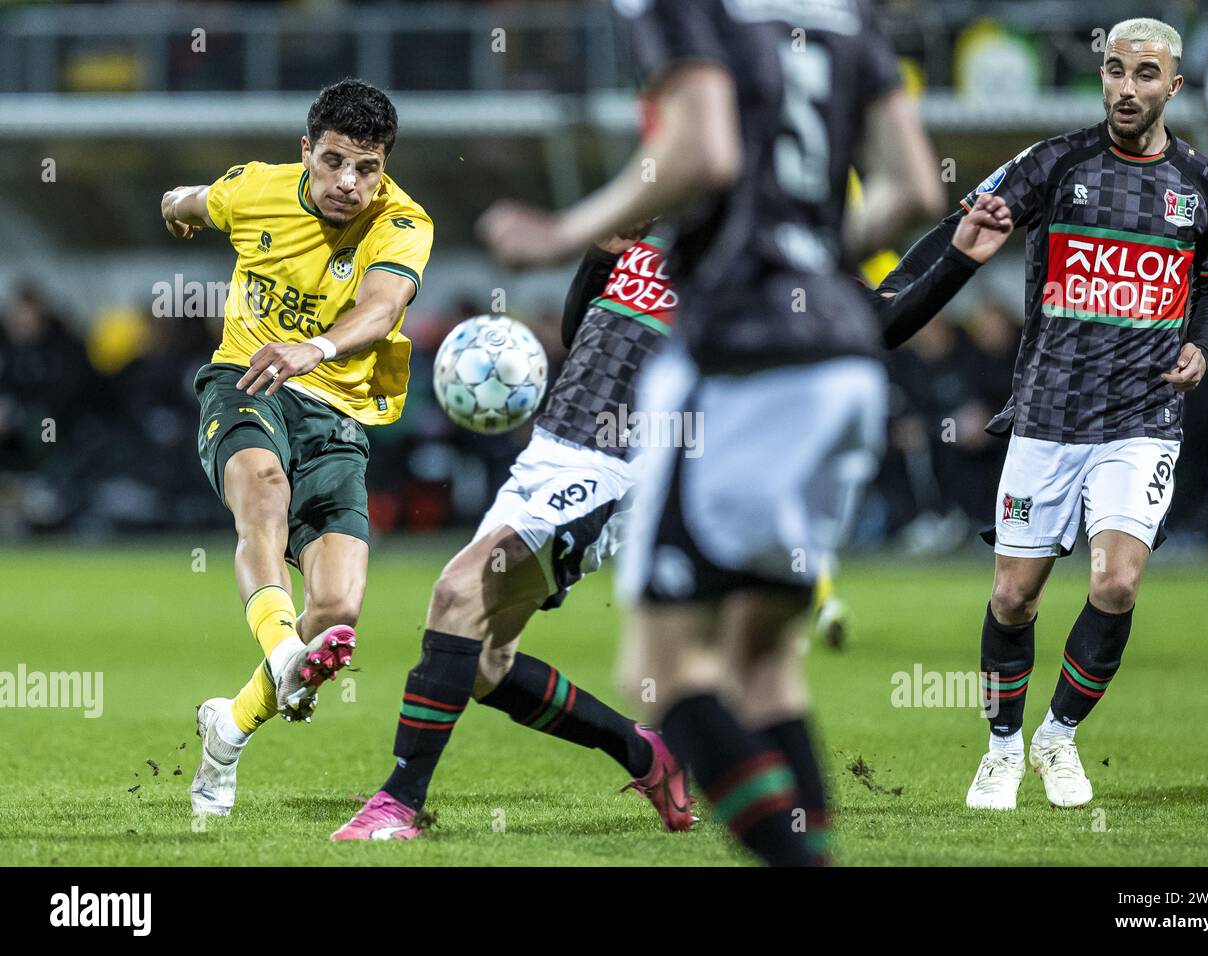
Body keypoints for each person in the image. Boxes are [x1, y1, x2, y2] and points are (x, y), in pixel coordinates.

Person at [476, 0, 953, 865]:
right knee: (765, 663)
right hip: (841, 364)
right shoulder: (844, 20)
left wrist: (565, 233)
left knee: (662, 669)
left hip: (740, 365)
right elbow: (917, 188)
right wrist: (810, 262)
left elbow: (704, 149)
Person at [882, 18, 1208, 811]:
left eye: (1146, 75)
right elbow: (963, 236)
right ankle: (1002, 749)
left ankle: (1059, 736)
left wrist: (1204, 348)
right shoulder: (1055, 162)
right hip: (1048, 412)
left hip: (1144, 417)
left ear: (1172, 86)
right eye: (1115, 70)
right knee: (1014, 598)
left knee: (1117, 583)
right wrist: (897, 308)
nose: (1127, 87)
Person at [331, 222, 698, 840]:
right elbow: (582, 330)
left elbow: (884, 318)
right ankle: (646, 756)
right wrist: (598, 251)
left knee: (456, 594)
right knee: (484, 662)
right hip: (551, 449)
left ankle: (400, 802)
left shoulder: (754, 256)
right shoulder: (660, 226)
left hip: (616, 463)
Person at [161, 78, 434, 816]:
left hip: (339, 414)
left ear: (385, 167)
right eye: (335, 161)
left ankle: (230, 729)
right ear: (306, 151)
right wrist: (177, 207)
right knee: (264, 490)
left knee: (339, 607)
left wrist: (316, 345)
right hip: (246, 380)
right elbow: (192, 200)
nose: (349, 183)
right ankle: (286, 657)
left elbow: (380, 310)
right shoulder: (256, 190)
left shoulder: (404, 223)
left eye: (368, 168)